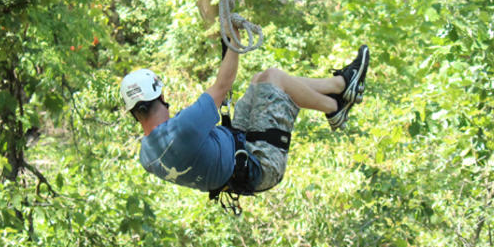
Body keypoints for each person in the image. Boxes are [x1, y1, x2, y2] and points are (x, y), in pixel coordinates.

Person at [120, 43, 369, 199]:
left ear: (133, 111)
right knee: (274, 78)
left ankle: (340, 88)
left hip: (240, 153)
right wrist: (234, 40)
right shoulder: (184, 128)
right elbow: (223, 84)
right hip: (260, 162)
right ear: (161, 95)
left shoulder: (147, 156)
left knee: (260, 80)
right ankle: (335, 105)